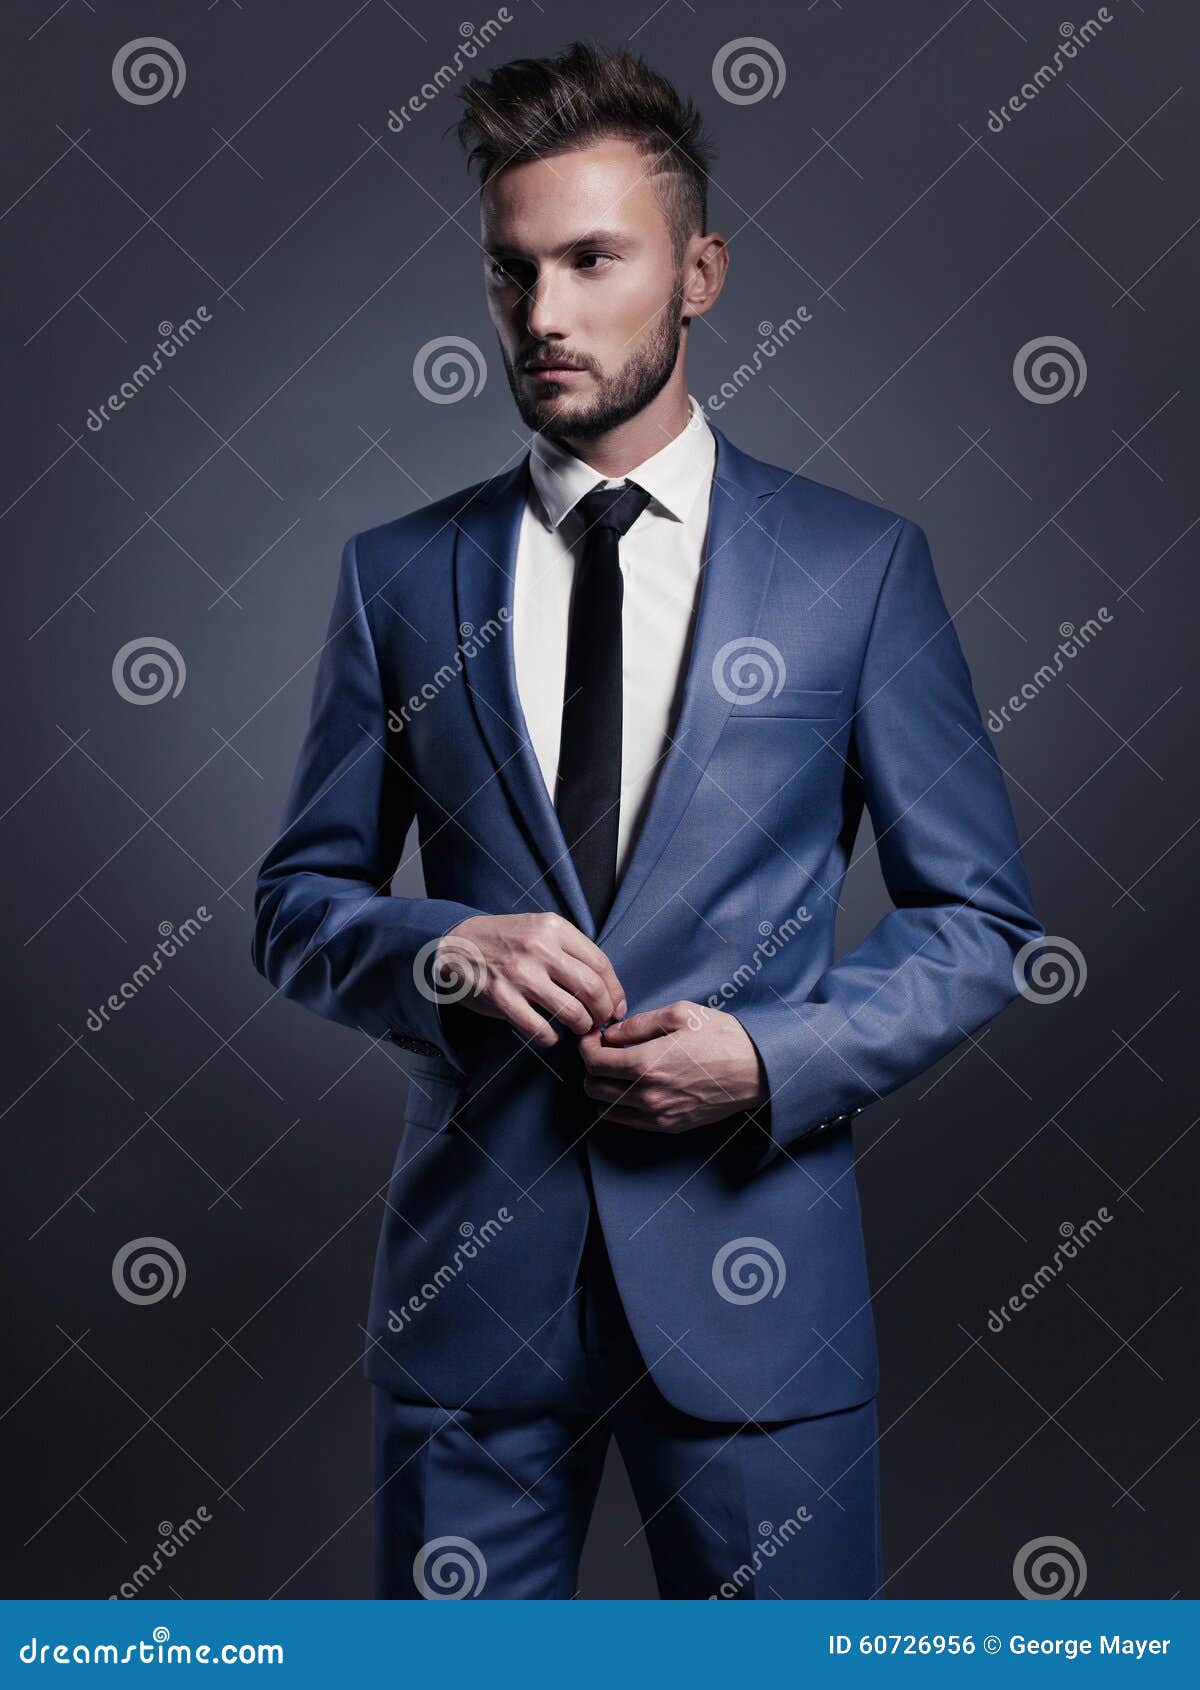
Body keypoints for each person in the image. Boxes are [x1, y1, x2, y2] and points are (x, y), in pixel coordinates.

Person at [251, 40, 1042, 1600]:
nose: (543, 316)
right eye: (511, 270)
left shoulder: (857, 571)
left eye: (592, 260)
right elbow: (296, 903)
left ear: (699, 272)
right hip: (473, 1308)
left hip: (762, 1294)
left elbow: (979, 922)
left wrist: (769, 1059)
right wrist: (440, 948)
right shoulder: (397, 578)